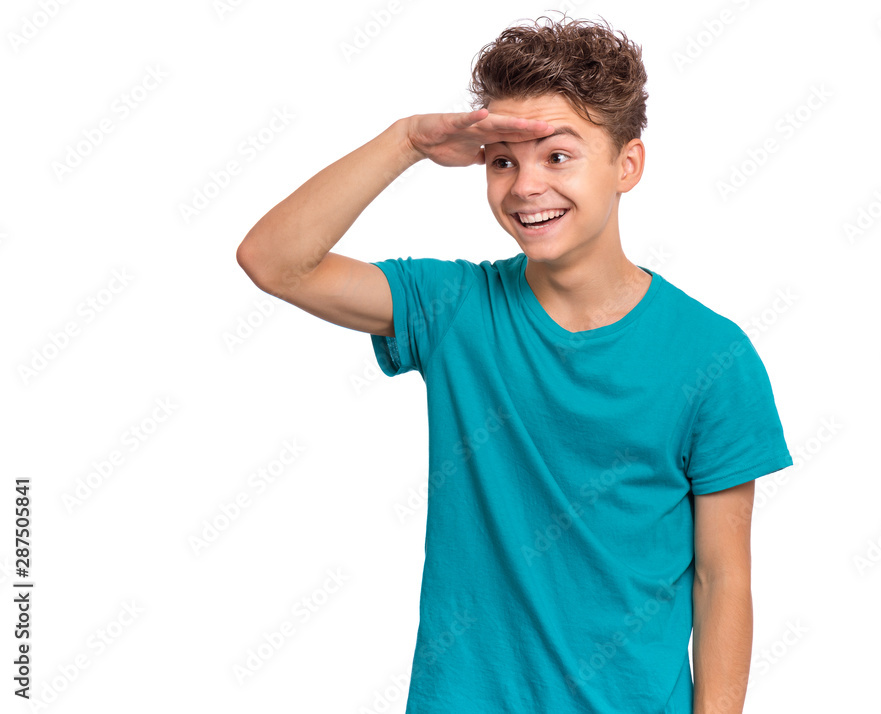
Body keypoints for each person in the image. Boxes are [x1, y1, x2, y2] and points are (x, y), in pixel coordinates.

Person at [236, 13, 793, 714]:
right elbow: (275, 261)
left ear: (628, 164)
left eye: (558, 156)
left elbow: (723, 583)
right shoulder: (451, 308)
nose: (525, 185)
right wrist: (405, 140)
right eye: (503, 160)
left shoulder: (714, 357)